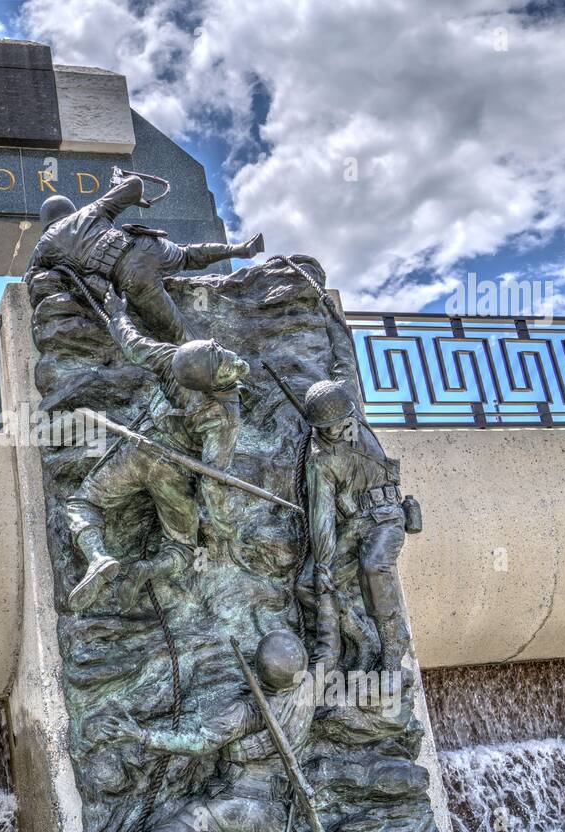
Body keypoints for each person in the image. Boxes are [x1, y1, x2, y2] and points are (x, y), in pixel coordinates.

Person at [64, 290, 249, 612]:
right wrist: (225, 527)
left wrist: (118, 312)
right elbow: (213, 481)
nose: (232, 362)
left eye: (222, 353)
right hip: (174, 472)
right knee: (181, 547)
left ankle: (99, 556)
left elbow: (132, 344)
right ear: (208, 382)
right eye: (223, 364)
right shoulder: (224, 415)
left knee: (84, 502)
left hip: (138, 450)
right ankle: (140, 568)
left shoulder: (173, 359)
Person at [96, 630, 315, 832]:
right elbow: (329, 650)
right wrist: (326, 599)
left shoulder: (241, 713)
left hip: (221, 811)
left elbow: (199, 742)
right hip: (266, 817)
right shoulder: (309, 690)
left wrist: (142, 736)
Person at [23, 175, 264, 343]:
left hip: (130, 274)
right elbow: (135, 185)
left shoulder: (45, 245)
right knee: (187, 253)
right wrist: (122, 187)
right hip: (146, 245)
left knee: (178, 332)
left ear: (46, 222)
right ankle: (239, 248)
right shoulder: (90, 210)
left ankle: (222, 374)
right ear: (70, 209)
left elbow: (29, 279)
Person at [301, 380, 410, 672]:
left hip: (387, 516)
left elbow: (344, 366)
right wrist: (323, 565)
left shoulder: (354, 414)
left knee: (374, 565)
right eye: (330, 426)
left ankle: (392, 649)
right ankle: (362, 636)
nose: (338, 429)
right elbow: (321, 515)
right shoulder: (320, 460)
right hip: (354, 524)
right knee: (308, 585)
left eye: (341, 421)